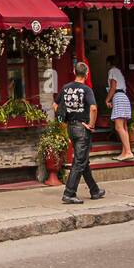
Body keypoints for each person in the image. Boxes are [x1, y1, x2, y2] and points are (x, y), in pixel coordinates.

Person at [55, 60, 105, 205]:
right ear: (87, 74)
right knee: (79, 161)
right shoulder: (86, 89)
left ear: (75, 72)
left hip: (71, 127)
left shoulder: (65, 88)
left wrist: (63, 122)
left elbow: (55, 105)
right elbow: (94, 108)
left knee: (83, 160)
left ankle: (94, 190)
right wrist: (91, 124)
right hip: (82, 129)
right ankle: (69, 193)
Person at [105, 54, 133, 161]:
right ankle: (125, 152)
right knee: (124, 126)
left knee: (118, 126)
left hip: (118, 97)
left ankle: (128, 151)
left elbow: (113, 87)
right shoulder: (119, 72)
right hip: (124, 97)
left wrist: (107, 99)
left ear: (109, 63)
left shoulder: (112, 71)